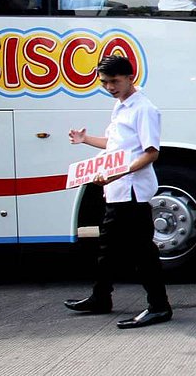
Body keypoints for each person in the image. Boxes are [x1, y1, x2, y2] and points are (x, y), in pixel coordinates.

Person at [64, 55, 173, 329]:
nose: (110, 87)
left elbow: (151, 154)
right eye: (105, 82)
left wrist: (117, 173)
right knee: (107, 249)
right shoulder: (121, 105)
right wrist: (85, 139)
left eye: (115, 81)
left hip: (133, 192)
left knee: (141, 252)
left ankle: (159, 307)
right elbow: (115, 147)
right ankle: (101, 298)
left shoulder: (144, 109)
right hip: (117, 190)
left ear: (130, 78)